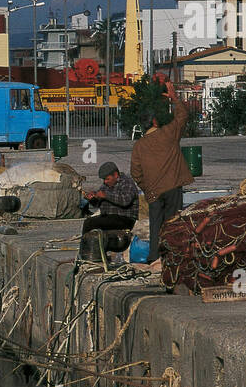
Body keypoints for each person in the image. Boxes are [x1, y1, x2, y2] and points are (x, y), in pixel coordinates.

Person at [130, 79, 194, 264]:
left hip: (153, 192)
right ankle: (173, 257)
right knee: (173, 223)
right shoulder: (168, 133)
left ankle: (154, 257)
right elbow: (182, 116)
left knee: (155, 225)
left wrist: (147, 186)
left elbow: (136, 173)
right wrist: (174, 98)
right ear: (155, 121)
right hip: (173, 186)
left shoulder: (139, 146)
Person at [81, 161, 138, 234]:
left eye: (107, 179)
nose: (105, 181)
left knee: (89, 223)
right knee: (89, 222)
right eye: (104, 179)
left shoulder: (126, 182)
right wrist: (92, 198)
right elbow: (97, 205)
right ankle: (92, 243)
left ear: (116, 175)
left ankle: (87, 244)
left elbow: (125, 201)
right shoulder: (106, 185)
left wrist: (105, 195)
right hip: (109, 217)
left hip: (125, 218)